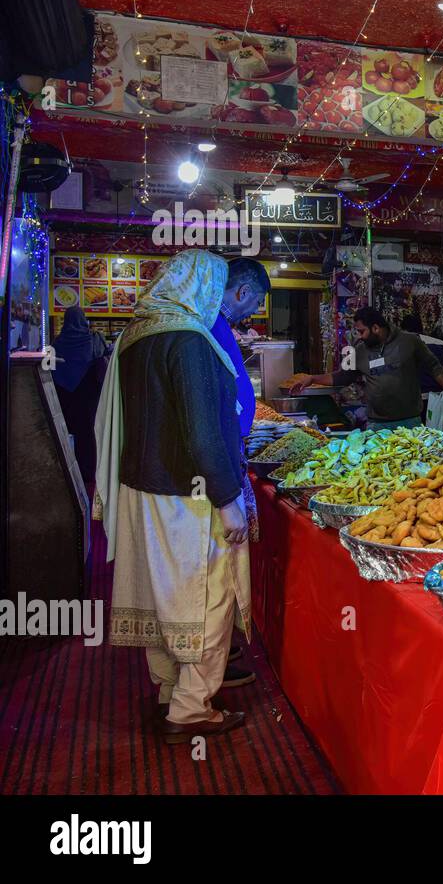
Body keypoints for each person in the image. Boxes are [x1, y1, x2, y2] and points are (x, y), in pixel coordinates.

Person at [94, 250, 251, 743]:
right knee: (207, 595)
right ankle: (189, 708)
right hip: (188, 497)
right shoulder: (188, 340)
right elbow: (203, 433)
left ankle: (167, 687)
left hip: (140, 490)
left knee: (161, 593)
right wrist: (228, 498)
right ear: (201, 287)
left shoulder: (134, 337)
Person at [208, 256, 272, 685]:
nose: (254, 315)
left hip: (229, 454)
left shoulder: (216, 324)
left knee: (216, 577)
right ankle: (206, 669)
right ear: (243, 292)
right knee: (212, 577)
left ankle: (215, 656)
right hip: (217, 467)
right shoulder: (209, 325)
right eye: (256, 304)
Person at [290, 306, 443, 429]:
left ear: (376, 328)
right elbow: (342, 376)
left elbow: (434, 365)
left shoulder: (409, 341)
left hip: (410, 421)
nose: (359, 336)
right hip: (376, 424)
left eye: (361, 331)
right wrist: (312, 378)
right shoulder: (360, 350)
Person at [51, 306, 109, 495]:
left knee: (65, 434)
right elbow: (104, 358)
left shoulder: (56, 343)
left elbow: (51, 370)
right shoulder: (94, 339)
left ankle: (67, 471)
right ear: (83, 320)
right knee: (88, 435)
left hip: (64, 398)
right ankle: (88, 474)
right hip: (88, 397)